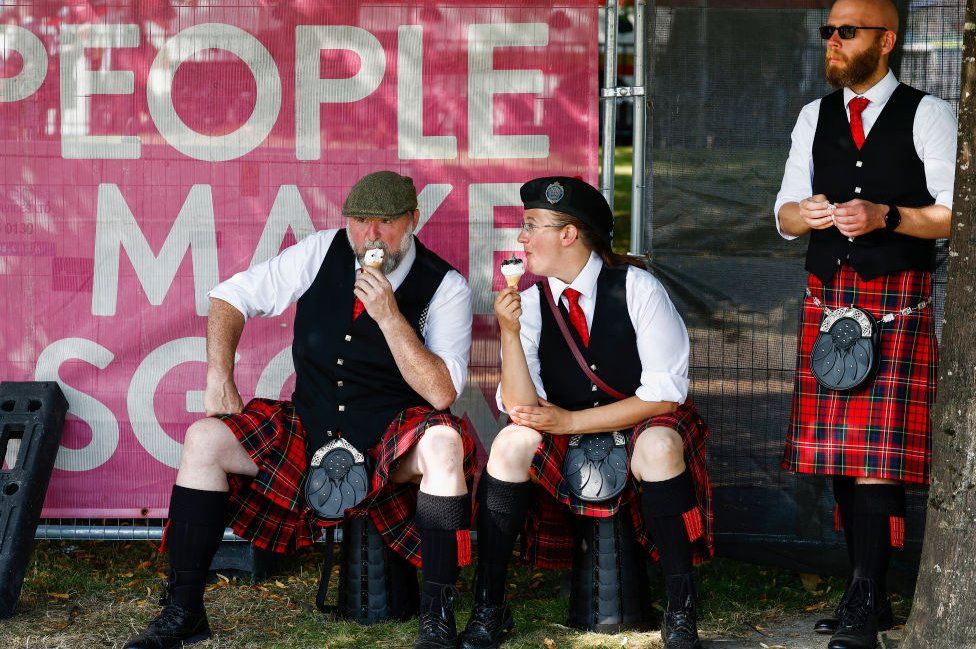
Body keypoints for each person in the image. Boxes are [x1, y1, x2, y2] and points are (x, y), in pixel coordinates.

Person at [123, 170, 475, 649]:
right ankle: (183, 609)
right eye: (359, 221)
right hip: (312, 430)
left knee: (444, 442)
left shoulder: (445, 285)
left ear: (413, 219)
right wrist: (219, 376)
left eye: (386, 222)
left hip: (392, 440)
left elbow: (441, 394)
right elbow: (229, 296)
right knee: (204, 439)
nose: (371, 235)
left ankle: (438, 621)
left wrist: (390, 317)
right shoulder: (320, 251)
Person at [460, 176, 713, 649]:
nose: (521, 238)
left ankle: (681, 609)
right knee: (511, 444)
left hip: (639, 424)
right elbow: (520, 406)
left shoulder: (637, 288)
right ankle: (489, 605)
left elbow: (664, 395)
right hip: (562, 429)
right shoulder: (531, 303)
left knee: (659, 447)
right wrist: (509, 334)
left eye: (532, 225)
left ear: (569, 234)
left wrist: (572, 422)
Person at [774, 0, 956, 646]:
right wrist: (810, 212)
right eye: (828, 31)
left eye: (846, 31)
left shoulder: (930, 114)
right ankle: (866, 596)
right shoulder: (812, 116)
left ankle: (866, 598)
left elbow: (953, 212)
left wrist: (889, 216)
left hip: (895, 296)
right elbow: (784, 214)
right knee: (845, 461)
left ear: (885, 40)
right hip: (830, 299)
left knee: (877, 459)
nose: (832, 41)